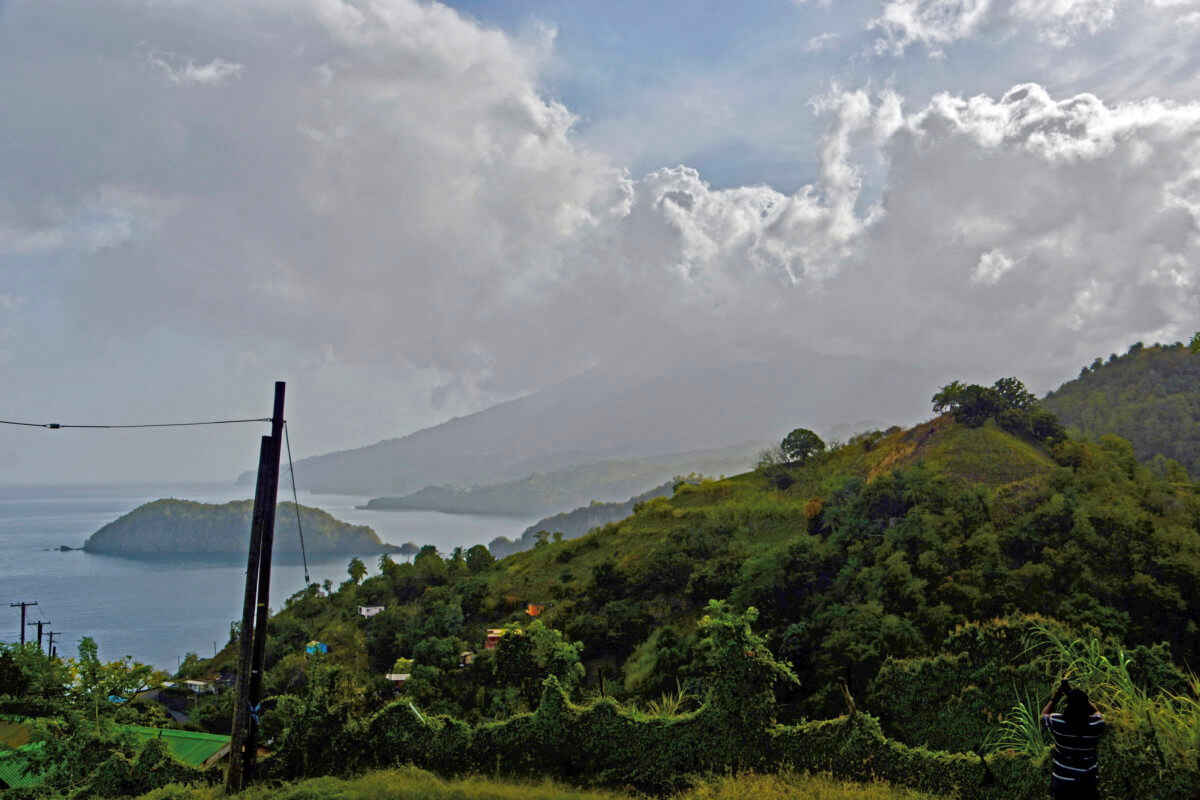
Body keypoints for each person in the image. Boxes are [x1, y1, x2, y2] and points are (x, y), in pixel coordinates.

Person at [1041, 679, 1105, 799]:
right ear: (1085, 704)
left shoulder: (1058, 722)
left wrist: (1055, 698)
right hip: (1087, 784)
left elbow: (1043, 716)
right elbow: (1097, 712)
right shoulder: (1095, 724)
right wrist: (1074, 693)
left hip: (1063, 784)